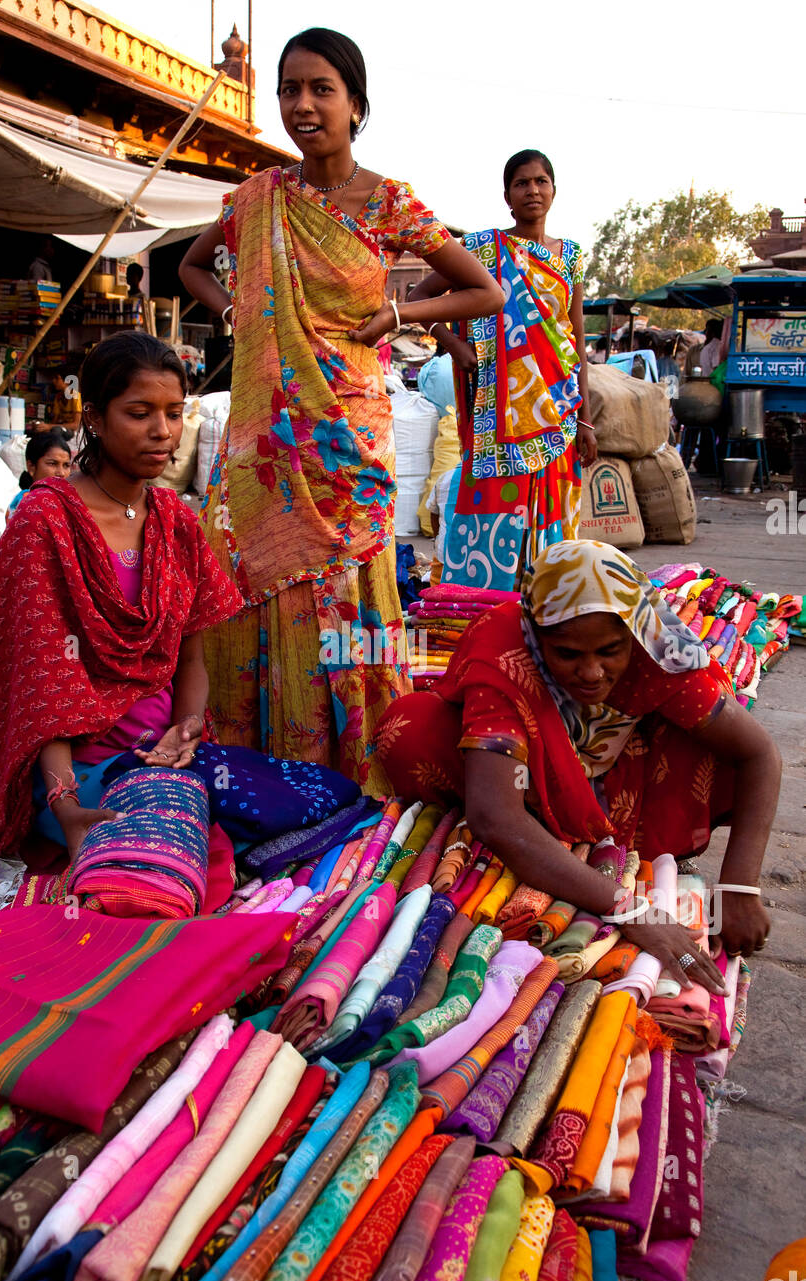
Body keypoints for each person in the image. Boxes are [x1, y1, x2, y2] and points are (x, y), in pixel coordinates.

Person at [179, 26, 503, 794]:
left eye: (321, 89)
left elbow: (484, 290)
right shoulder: (260, 198)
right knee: (248, 572)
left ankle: (353, 753)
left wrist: (397, 317)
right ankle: (259, 751)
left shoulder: (388, 202)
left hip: (347, 434)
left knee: (343, 586)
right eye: (289, 89)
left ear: (356, 105)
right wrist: (239, 314)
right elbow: (195, 267)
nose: (302, 104)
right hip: (265, 436)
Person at [375, 538, 780, 971]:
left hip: (625, 788)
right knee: (411, 727)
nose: (591, 673)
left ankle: (590, 846)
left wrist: (741, 887)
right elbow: (495, 815)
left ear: (635, 632)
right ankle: (547, 846)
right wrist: (630, 909)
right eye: (567, 654)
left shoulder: (657, 650)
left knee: (711, 734)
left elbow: (758, 754)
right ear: (536, 635)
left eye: (610, 651)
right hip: (518, 781)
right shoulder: (505, 646)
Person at [0, 331, 242, 861]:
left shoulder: (175, 520)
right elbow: (41, 685)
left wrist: (185, 733)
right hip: (77, 771)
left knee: (308, 800)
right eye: (139, 413)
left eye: (174, 412)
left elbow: (191, 658)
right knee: (167, 857)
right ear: (93, 417)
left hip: (164, 756)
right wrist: (65, 804)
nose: (163, 432)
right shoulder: (46, 521)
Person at [408, 148, 596, 590]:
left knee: (552, 519)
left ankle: (549, 603)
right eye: (521, 183)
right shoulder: (480, 249)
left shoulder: (570, 257)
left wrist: (586, 417)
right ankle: (480, 604)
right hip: (497, 419)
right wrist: (451, 342)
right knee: (495, 512)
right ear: (507, 197)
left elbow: (577, 341)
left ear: (554, 190)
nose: (533, 190)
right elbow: (416, 298)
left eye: (541, 181)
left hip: (559, 409)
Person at [6, 428, 72, 521]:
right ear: (31, 466)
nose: (61, 473)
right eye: (52, 463)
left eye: (66, 465)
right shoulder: (25, 504)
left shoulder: (69, 503)